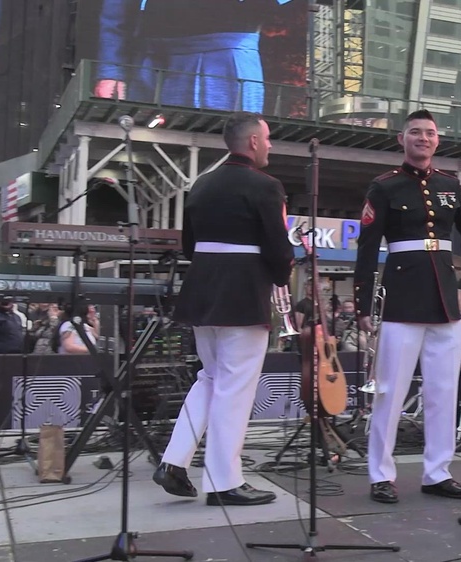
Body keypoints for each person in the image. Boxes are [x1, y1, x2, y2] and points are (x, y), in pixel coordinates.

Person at [153, 111, 293, 506]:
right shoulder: (267, 185)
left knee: (211, 378)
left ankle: (174, 461)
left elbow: (188, 244)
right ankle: (224, 481)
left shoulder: (201, 184)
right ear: (251, 142)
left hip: (203, 288)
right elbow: (278, 248)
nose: (269, 145)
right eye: (266, 139)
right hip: (243, 292)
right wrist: (283, 274)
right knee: (235, 386)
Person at [353, 109, 461, 504]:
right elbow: (366, 250)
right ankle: (380, 474)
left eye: (429, 133)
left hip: (446, 300)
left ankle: (437, 472)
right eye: (415, 132)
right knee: (390, 391)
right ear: (402, 139)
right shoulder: (384, 187)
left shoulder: (452, 186)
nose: (423, 138)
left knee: (444, 391)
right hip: (401, 300)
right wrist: (363, 305)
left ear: (437, 140)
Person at [93, 0, 294, 112]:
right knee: (143, 156)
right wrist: (111, 70)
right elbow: (115, 13)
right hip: (150, 59)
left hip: (223, 54)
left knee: (221, 151)